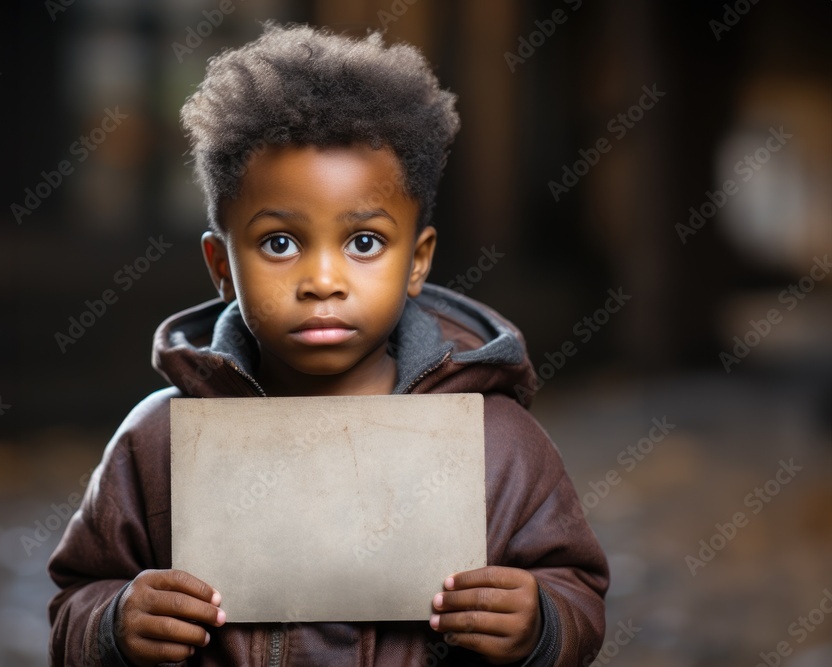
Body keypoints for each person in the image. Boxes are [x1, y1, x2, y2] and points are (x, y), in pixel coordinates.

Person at [48, 22, 608, 667]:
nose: (321, 281)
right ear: (221, 264)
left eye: (364, 242)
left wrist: (540, 621)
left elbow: (579, 590)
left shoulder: (498, 442)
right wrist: (116, 623)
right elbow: (75, 600)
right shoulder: (158, 443)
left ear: (418, 261)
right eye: (279, 243)